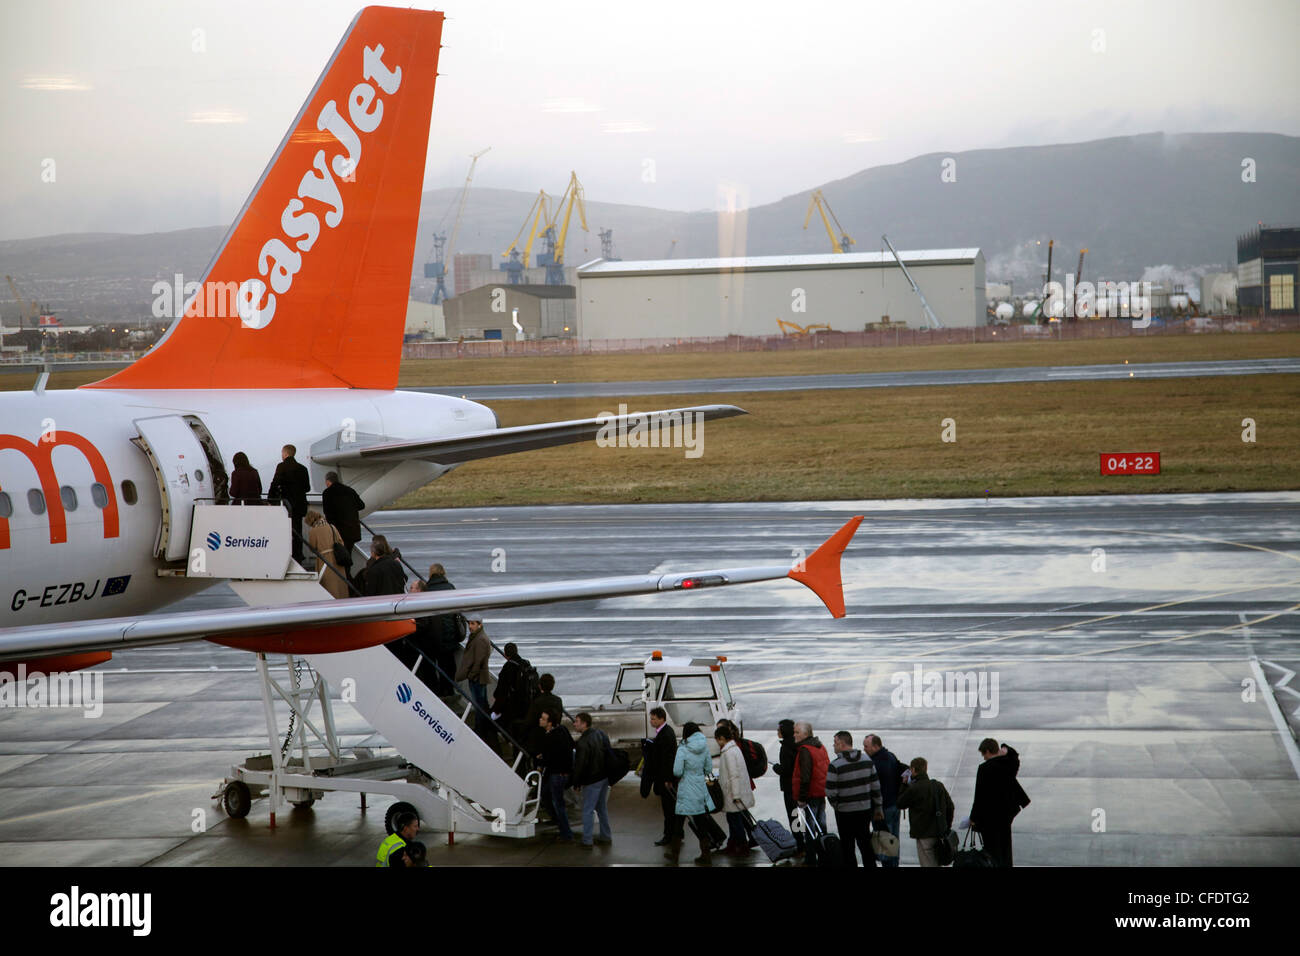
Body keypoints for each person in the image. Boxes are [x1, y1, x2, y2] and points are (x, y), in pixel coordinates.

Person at [965, 738, 1030, 867]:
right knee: (1005, 846)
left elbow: (979, 796)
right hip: (1006, 815)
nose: (984, 757)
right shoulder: (1008, 765)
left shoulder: (984, 768)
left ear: (988, 751)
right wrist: (1004, 749)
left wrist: (973, 817)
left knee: (992, 850)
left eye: (984, 754)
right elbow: (1014, 755)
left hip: (990, 818)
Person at [826, 730, 883, 868]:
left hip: (844, 813)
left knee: (847, 847)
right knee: (865, 845)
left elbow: (830, 792)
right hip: (864, 810)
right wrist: (878, 807)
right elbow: (876, 786)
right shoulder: (867, 760)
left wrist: (838, 806)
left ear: (841, 744)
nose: (833, 746)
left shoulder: (835, 765)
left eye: (835, 743)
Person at [670, 721, 716, 865]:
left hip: (686, 788)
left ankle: (674, 855)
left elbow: (677, 771)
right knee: (701, 822)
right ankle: (706, 855)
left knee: (678, 823)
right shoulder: (704, 746)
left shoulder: (683, 748)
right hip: (699, 788)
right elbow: (708, 769)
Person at [897, 756, 954, 867]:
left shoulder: (914, 788)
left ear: (913, 770)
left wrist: (904, 784)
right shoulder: (938, 786)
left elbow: (900, 803)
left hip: (923, 835)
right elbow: (950, 807)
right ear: (925, 768)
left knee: (927, 863)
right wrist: (946, 826)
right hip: (939, 833)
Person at [570, 712, 613, 848]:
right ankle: (606, 836)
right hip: (603, 777)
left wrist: (576, 783)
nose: (574, 724)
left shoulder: (583, 742)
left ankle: (587, 840)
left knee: (587, 810)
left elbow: (580, 765)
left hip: (591, 780)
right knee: (601, 808)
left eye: (577, 721)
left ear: (584, 723)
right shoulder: (600, 734)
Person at [864, 733, 906, 867]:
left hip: (881, 810)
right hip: (895, 806)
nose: (864, 749)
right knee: (894, 839)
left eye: (866, 746)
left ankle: (889, 865)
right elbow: (903, 770)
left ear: (876, 746)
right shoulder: (891, 756)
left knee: (884, 841)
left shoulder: (874, 764)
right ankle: (894, 864)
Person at [454, 612, 495, 745]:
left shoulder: (480, 639)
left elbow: (479, 661)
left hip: (477, 678)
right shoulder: (477, 637)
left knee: (479, 705)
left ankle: (481, 729)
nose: (470, 626)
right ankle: (484, 728)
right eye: (469, 624)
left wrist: (471, 675)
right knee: (481, 704)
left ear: (479, 625)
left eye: (472, 624)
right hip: (477, 677)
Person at [791, 721, 829, 863]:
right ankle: (825, 853)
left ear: (805, 734)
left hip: (810, 795)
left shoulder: (805, 750)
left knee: (809, 827)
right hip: (820, 793)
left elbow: (805, 777)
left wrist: (801, 798)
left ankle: (811, 857)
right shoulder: (820, 747)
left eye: (797, 732)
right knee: (821, 824)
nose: (794, 735)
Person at [642, 707, 680, 846]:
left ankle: (669, 836)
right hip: (666, 778)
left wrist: (668, 779)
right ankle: (676, 834)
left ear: (661, 719)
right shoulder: (664, 732)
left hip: (666, 779)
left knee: (668, 809)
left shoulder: (665, 734)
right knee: (670, 808)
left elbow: (668, 759)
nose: (651, 721)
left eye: (653, 719)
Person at [714, 723, 754, 855]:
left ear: (721, 738)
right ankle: (732, 844)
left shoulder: (728, 753)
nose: (717, 743)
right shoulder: (735, 749)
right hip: (735, 793)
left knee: (735, 821)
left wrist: (736, 795)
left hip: (732, 795)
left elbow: (733, 775)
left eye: (717, 740)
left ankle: (742, 846)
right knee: (733, 820)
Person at [535, 708, 575, 843]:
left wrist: (540, 759)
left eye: (543, 719)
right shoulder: (562, 730)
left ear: (549, 723)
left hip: (556, 775)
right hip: (564, 773)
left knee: (558, 803)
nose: (540, 720)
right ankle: (558, 822)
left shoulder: (550, 737)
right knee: (546, 795)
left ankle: (566, 833)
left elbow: (549, 759)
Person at [267, 443, 311, 562]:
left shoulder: (281, 467)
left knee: (285, 531)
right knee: (298, 531)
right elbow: (307, 488)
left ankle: (287, 556)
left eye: (282, 453)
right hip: (300, 506)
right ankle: (298, 555)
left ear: (285, 453)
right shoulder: (303, 469)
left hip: (286, 505)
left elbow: (275, 483)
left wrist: (270, 499)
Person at [492, 642, 534, 747]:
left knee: (490, 723)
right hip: (527, 706)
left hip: (512, 708)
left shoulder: (508, 667)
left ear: (506, 655)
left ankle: (500, 749)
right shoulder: (526, 664)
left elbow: (501, 692)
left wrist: (496, 709)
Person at [772, 718, 802, 851]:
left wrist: (776, 768)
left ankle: (800, 843)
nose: (777, 731)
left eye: (779, 729)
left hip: (789, 787)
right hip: (799, 785)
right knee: (800, 815)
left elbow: (786, 769)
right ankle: (805, 840)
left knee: (793, 816)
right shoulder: (797, 743)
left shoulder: (785, 748)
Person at [305, 509, 350, 598]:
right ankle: (343, 599)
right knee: (339, 582)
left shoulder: (313, 531)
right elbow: (341, 542)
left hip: (324, 559)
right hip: (337, 557)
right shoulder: (332, 527)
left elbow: (312, 547)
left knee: (328, 583)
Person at [321, 471, 365, 555]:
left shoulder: (327, 493)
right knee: (348, 555)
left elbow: (326, 512)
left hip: (338, 531)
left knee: (339, 556)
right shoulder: (350, 490)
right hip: (352, 530)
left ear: (327, 481)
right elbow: (361, 505)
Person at [521, 674, 563, 756]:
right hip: (553, 735)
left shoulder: (537, 701)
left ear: (540, 686)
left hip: (538, 738)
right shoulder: (558, 700)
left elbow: (529, 721)